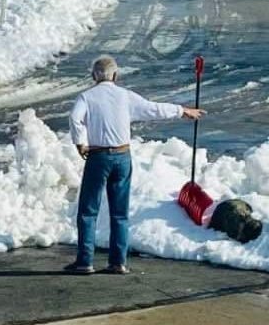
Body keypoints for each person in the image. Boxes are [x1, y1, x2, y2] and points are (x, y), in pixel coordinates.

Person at [66, 55, 204, 274]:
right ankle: (118, 263)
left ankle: (85, 262)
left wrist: (80, 143)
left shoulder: (86, 97)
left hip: (98, 157)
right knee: (119, 213)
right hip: (122, 157)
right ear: (116, 75)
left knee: (88, 212)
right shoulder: (126, 96)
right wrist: (182, 111)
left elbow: (75, 119)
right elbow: (153, 109)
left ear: (94, 76)